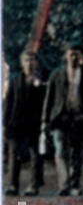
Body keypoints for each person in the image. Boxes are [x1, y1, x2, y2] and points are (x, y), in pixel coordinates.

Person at [42, 45, 83, 197]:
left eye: (76, 55)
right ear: (66, 56)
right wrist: (45, 119)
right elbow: (49, 97)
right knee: (60, 151)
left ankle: (75, 183)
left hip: (80, 118)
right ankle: (64, 183)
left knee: (77, 153)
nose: (73, 58)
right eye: (71, 54)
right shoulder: (57, 74)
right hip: (60, 117)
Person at [4, 51, 47, 196]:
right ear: (22, 63)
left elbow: (46, 102)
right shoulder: (15, 81)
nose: (29, 64)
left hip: (34, 124)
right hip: (16, 123)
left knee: (35, 156)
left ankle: (33, 186)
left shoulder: (41, 81)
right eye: (26, 61)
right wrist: (5, 122)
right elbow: (8, 103)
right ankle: (12, 185)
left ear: (36, 63)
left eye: (31, 61)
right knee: (14, 155)